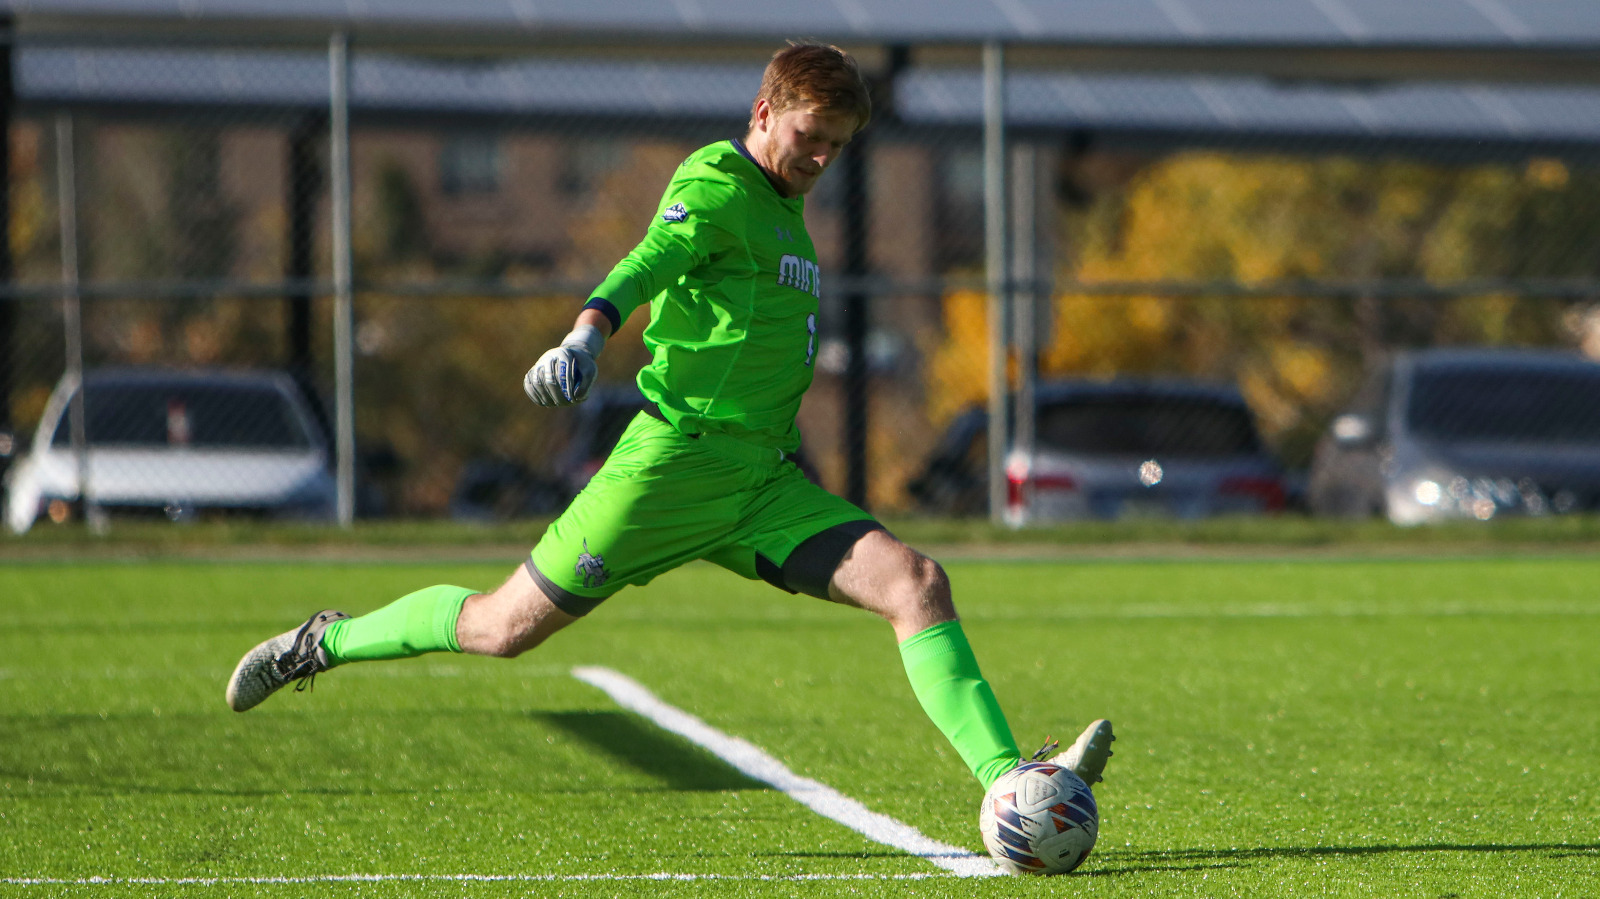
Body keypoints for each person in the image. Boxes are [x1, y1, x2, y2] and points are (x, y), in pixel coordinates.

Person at [226, 42, 1113, 801]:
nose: (820, 158)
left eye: (837, 146)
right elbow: (647, 261)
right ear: (764, 113)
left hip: (761, 483)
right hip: (670, 468)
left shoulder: (786, 210)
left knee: (915, 583)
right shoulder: (717, 182)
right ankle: (322, 641)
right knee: (500, 629)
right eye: (810, 136)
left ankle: (1009, 779)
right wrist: (586, 333)